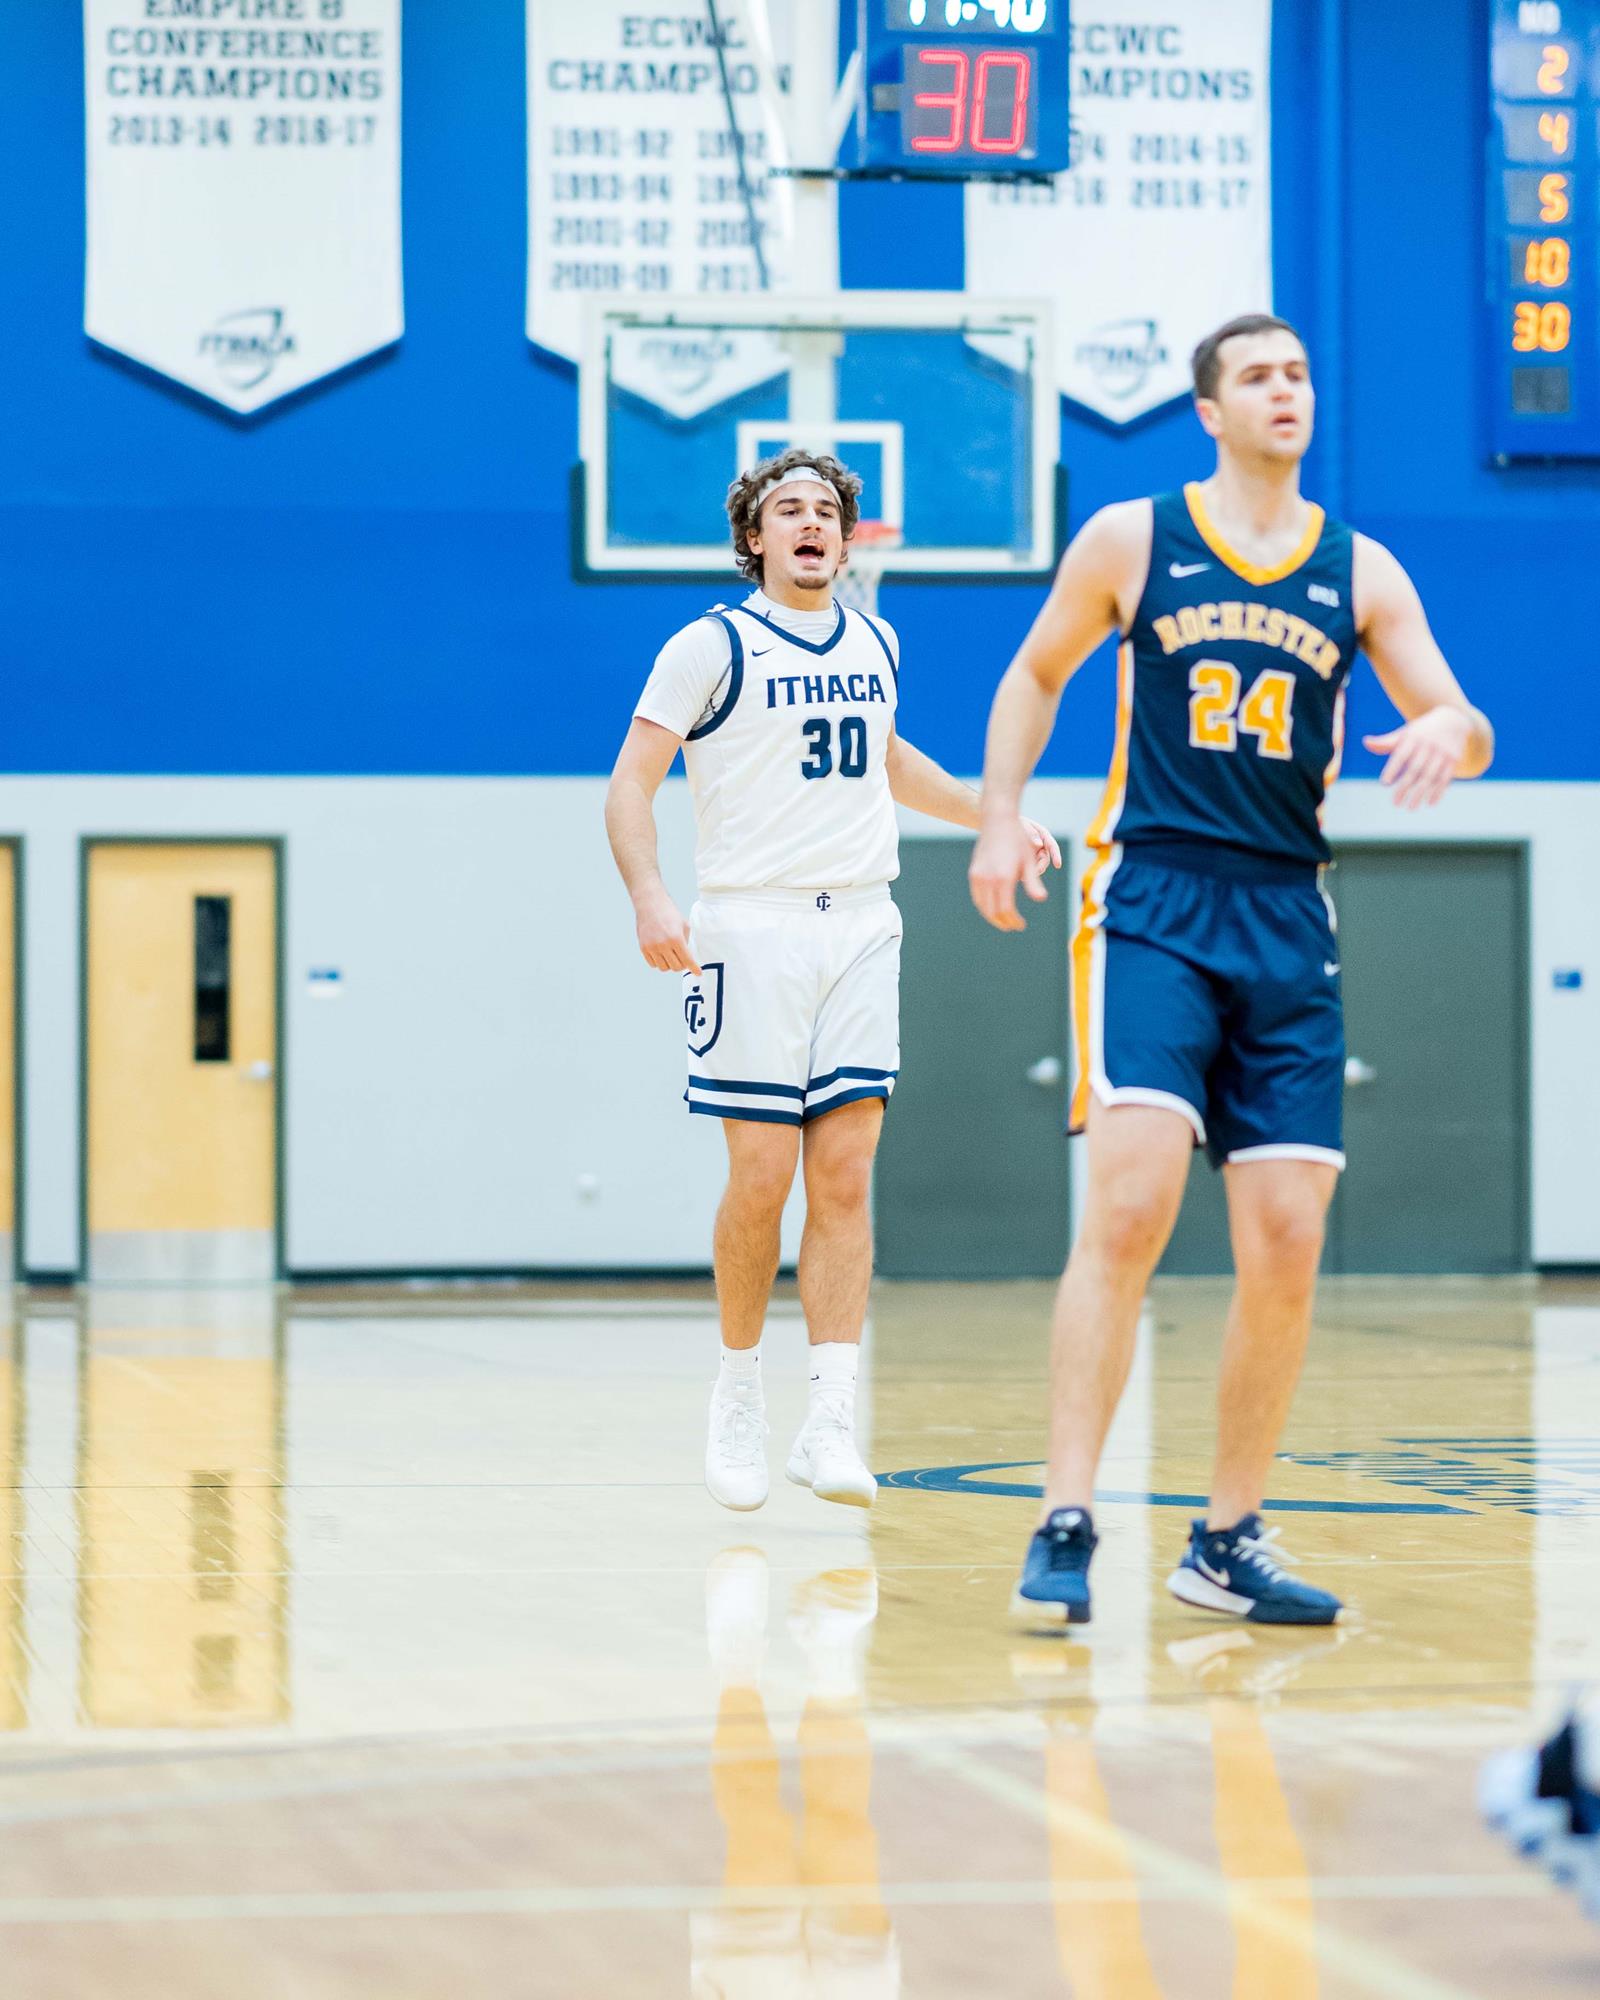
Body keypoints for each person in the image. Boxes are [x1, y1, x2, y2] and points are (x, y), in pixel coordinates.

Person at [969, 314, 1494, 1626]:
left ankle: (1226, 1537)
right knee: (1132, 1206)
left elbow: (1464, 717)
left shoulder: (1359, 570)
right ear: (1207, 408)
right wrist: (996, 815)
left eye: (1301, 374)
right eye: (1258, 375)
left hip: (1287, 917)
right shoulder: (1134, 540)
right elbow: (1034, 674)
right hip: (1153, 895)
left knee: (1288, 1240)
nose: (1286, 391)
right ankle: (1068, 1517)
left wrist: (1446, 731)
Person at [607, 448, 1059, 1513]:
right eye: (788, 510)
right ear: (755, 538)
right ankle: (736, 1394)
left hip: (861, 919)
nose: (809, 522)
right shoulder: (708, 642)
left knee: (847, 1175)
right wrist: (649, 897)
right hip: (749, 925)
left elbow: (886, 760)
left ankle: (831, 1418)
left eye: (825, 510)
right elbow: (631, 783)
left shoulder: (876, 637)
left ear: (845, 539)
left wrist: (995, 813)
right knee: (761, 1174)